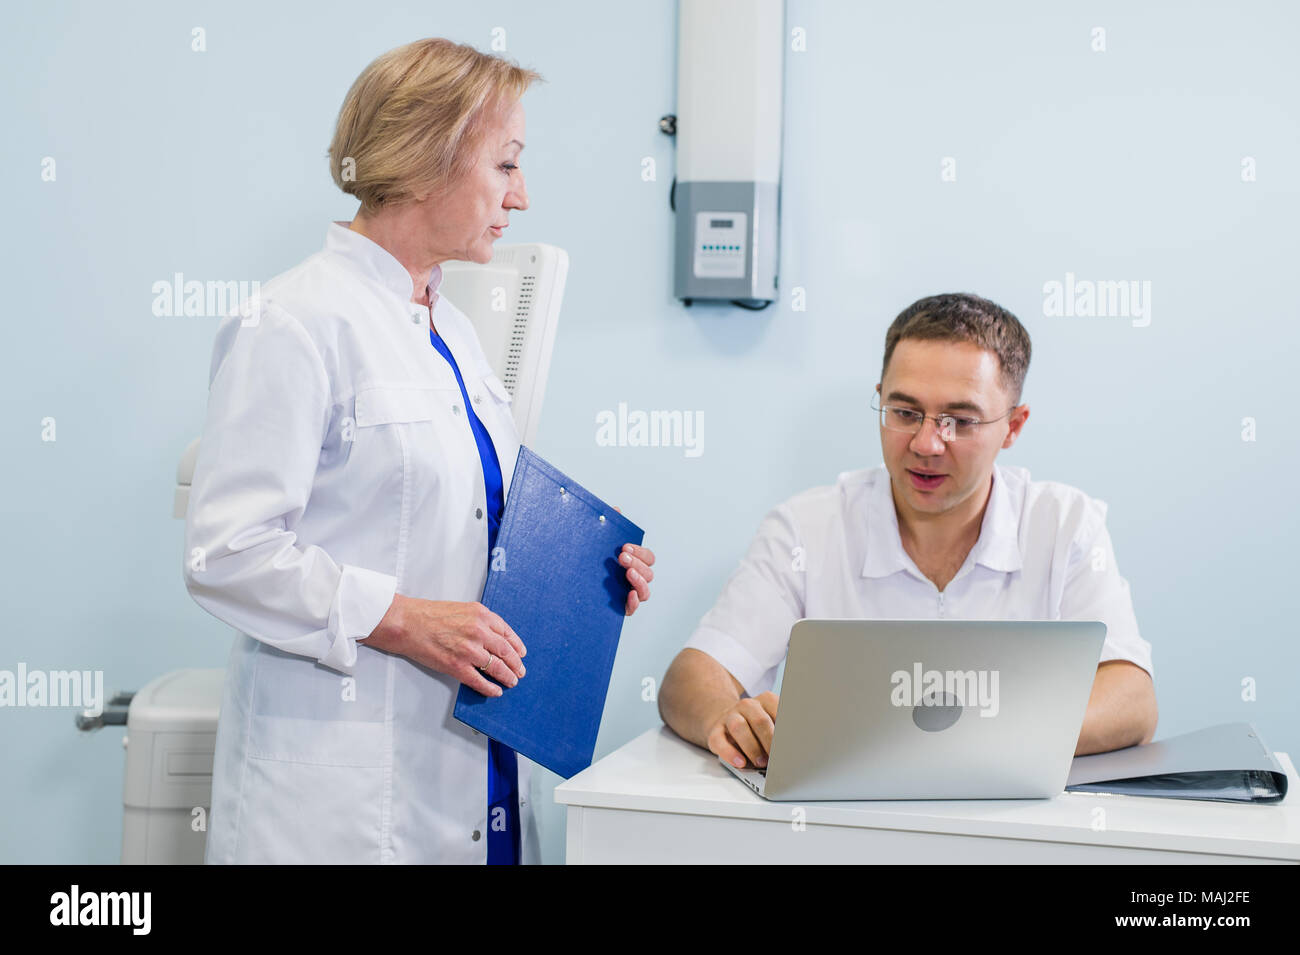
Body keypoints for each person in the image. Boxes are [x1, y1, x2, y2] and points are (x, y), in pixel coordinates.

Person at [183, 37, 655, 864]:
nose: (524, 196)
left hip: (475, 766)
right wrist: (401, 619)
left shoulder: (457, 334)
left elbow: (468, 524)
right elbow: (228, 551)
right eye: (506, 165)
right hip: (342, 799)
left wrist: (583, 580)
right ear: (426, 156)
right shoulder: (294, 322)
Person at [658, 293, 1155, 769]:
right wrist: (727, 719)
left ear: (1014, 426)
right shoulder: (806, 529)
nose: (926, 444)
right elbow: (690, 679)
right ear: (881, 400)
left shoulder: (1065, 524)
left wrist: (953, 737)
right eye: (905, 412)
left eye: (959, 420)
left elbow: (1131, 700)